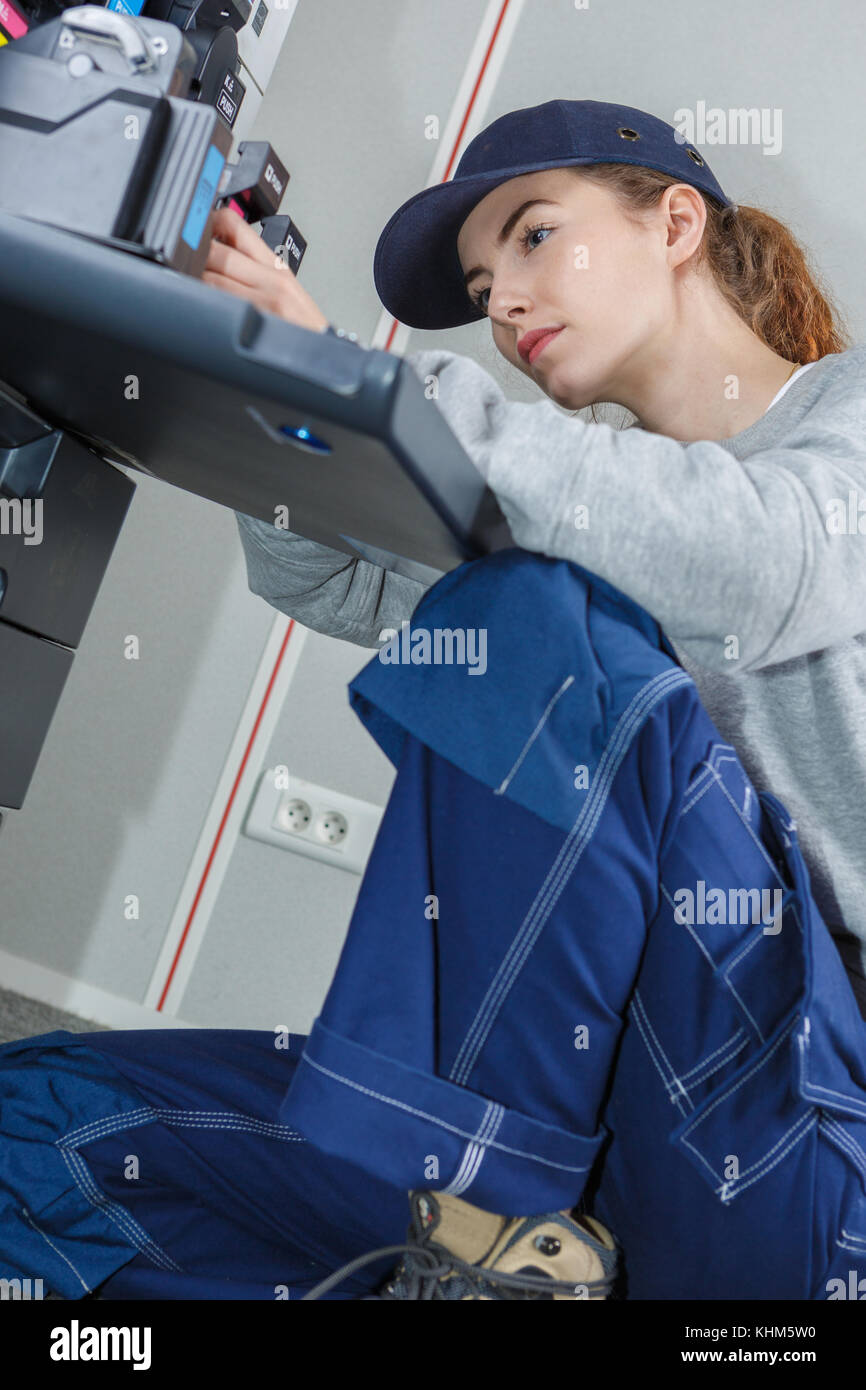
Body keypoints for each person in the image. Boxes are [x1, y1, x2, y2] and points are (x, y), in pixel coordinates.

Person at [2, 99, 865, 1302]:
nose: (501, 305)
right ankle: (482, 1245)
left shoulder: (836, 428)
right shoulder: (563, 508)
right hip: (594, 1161)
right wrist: (259, 381)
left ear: (675, 221)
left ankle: (475, 1216)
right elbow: (330, 569)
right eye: (477, 281)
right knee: (41, 1123)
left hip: (807, 1149)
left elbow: (753, 562)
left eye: (529, 236)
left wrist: (354, 379)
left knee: (528, 612)